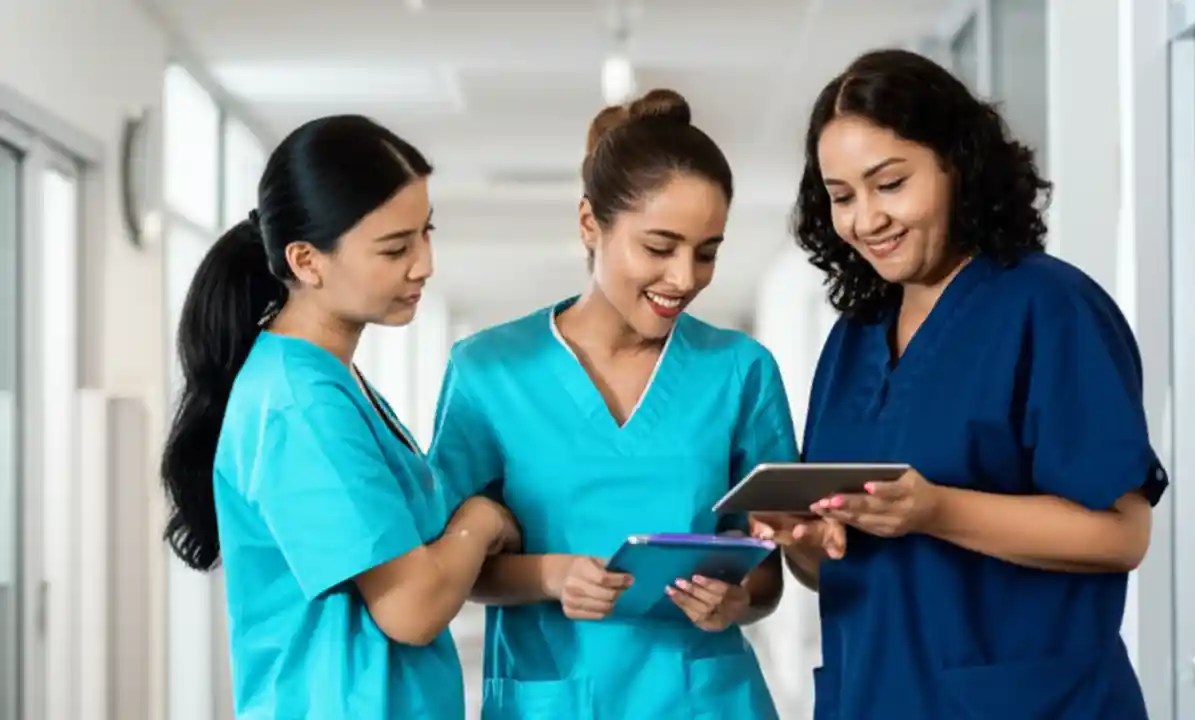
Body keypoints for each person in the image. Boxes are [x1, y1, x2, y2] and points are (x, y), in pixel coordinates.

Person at [752, 50, 1168, 719]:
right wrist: (806, 543)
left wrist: (937, 510)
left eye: (890, 183)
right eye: (842, 197)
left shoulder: (1049, 307)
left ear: (957, 166)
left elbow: (1121, 534)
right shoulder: (855, 337)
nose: (866, 219)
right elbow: (845, 564)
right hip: (874, 697)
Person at [426, 89, 794, 719]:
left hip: (707, 700)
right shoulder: (489, 371)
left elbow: (767, 572)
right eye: (659, 247)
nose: (684, 278)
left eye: (707, 252)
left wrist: (736, 602)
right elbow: (449, 569)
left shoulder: (741, 371)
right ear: (590, 225)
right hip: (554, 697)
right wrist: (548, 576)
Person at [160, 115, 519, 720]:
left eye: (425, 233)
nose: (424, 264)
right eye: (395, 248)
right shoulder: (298, 404)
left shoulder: (326, 379)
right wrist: (480, 521)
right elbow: (413, 608)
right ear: (306, 260)